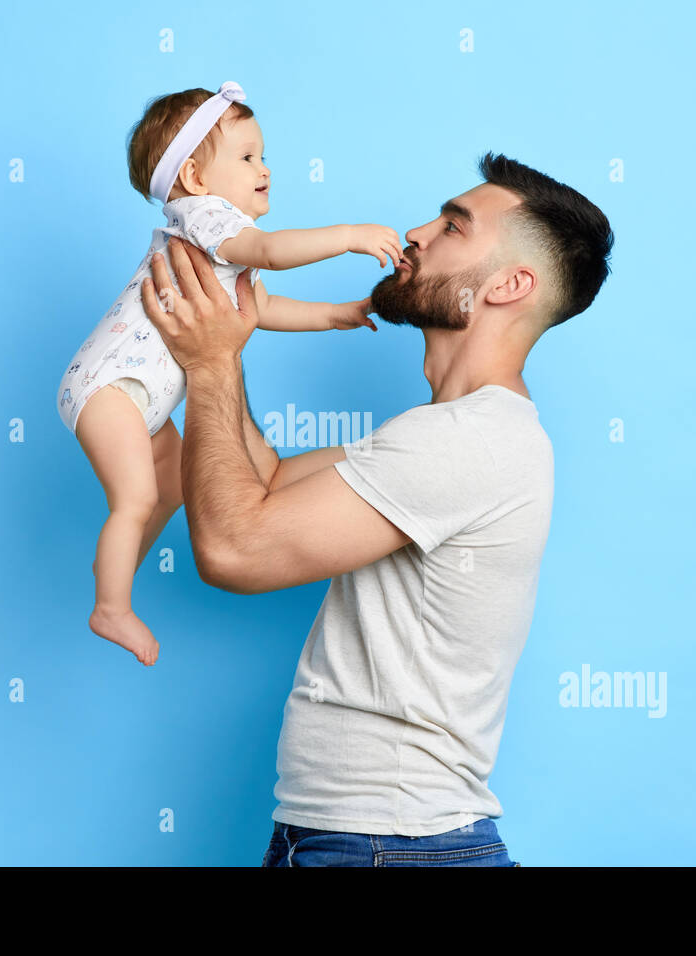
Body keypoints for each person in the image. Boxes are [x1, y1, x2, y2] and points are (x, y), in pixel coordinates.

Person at [139, 152, 614, 866]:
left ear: (510, 285)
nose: (416, 233)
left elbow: (235, 550)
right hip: (374, 840)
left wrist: (209, 367)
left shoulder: (467, 443)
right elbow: (261, 480)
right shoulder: (448, 433)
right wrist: (220, 348)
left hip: (387, 844)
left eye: (453, 226)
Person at [56, 80, 397, 666]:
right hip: (110, 386)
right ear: (193, 177)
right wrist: (348, 238)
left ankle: (113, 568)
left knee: (171, 490)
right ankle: (109, 606)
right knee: (136, 497)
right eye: (246, 157)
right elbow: (266, 253)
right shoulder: (206, 216)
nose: (264, 168)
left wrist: (333, 316)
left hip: (140, 397)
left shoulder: (216, 243)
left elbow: (257, 309)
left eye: (263, 155)